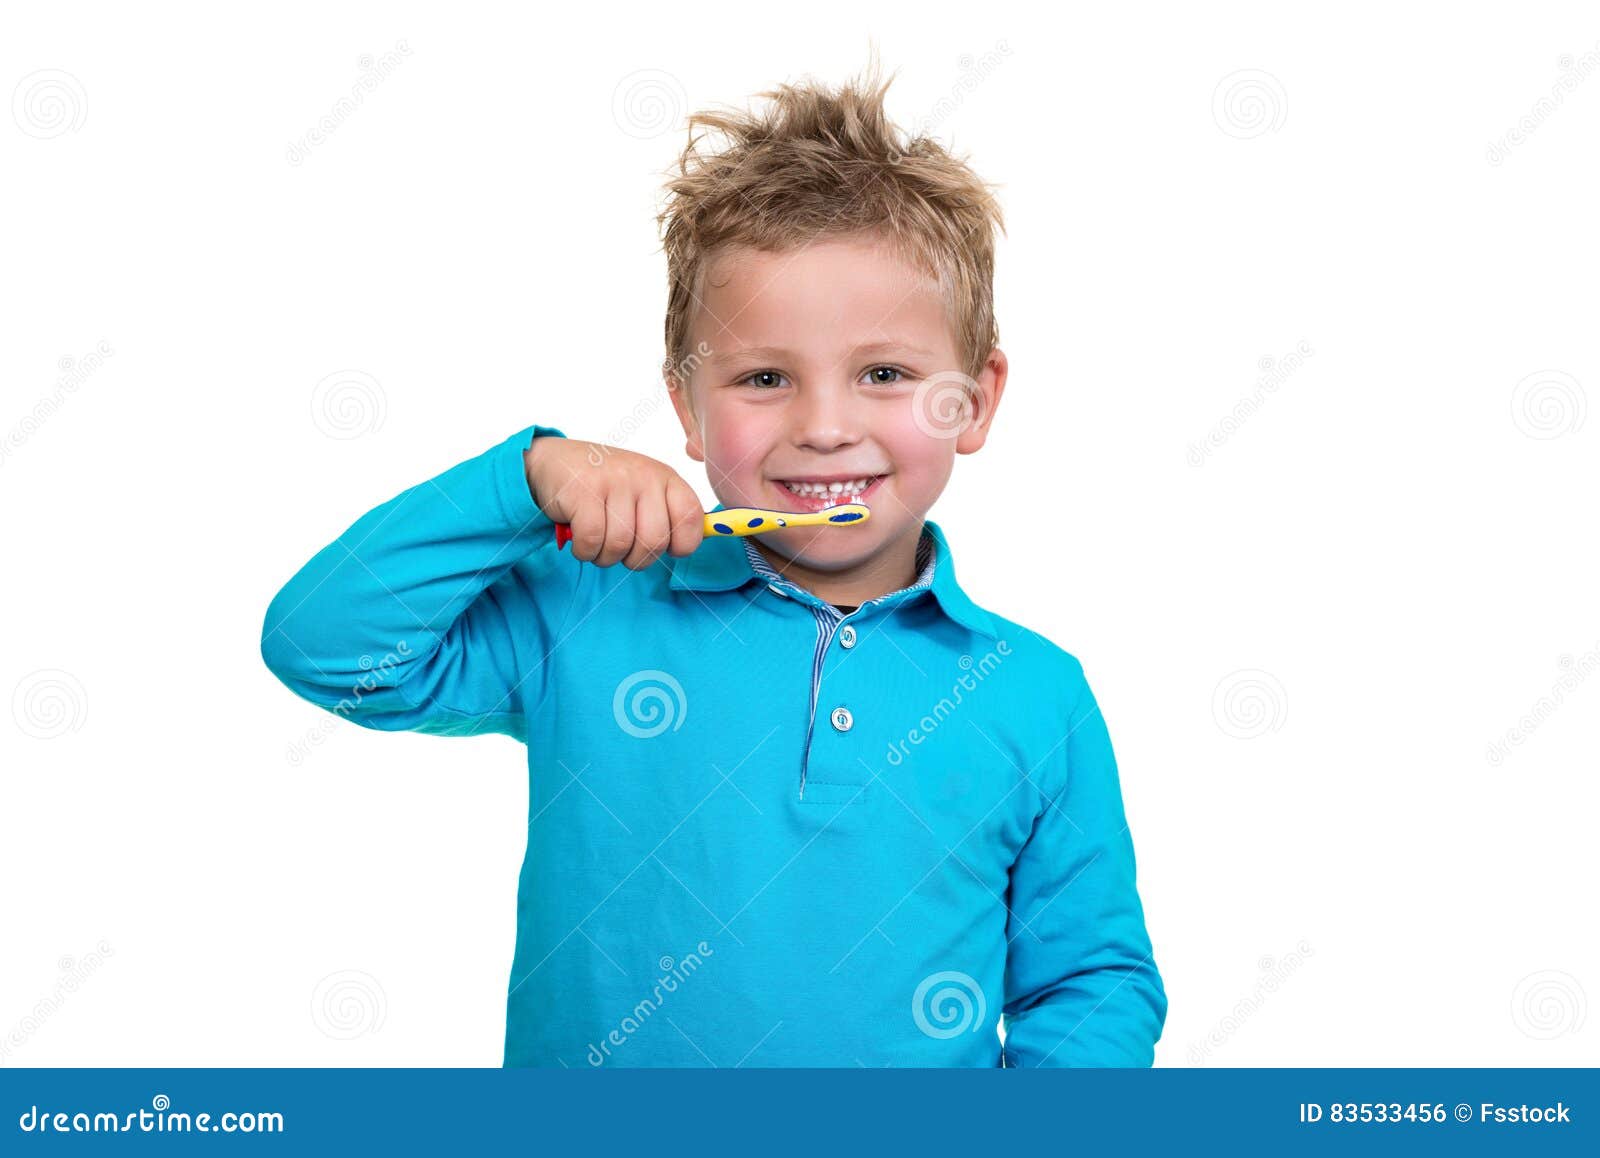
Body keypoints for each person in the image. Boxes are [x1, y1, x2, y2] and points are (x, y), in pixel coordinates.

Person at [260, 56, 1167, 1067]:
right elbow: (324, 646)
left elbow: (1090, 982)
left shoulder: (1034, 695)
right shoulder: (588, 608)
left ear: (977, 400)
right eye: (764, 377)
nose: (826, 428)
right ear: (687, 406)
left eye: (883, 373)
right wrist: (528, 481)